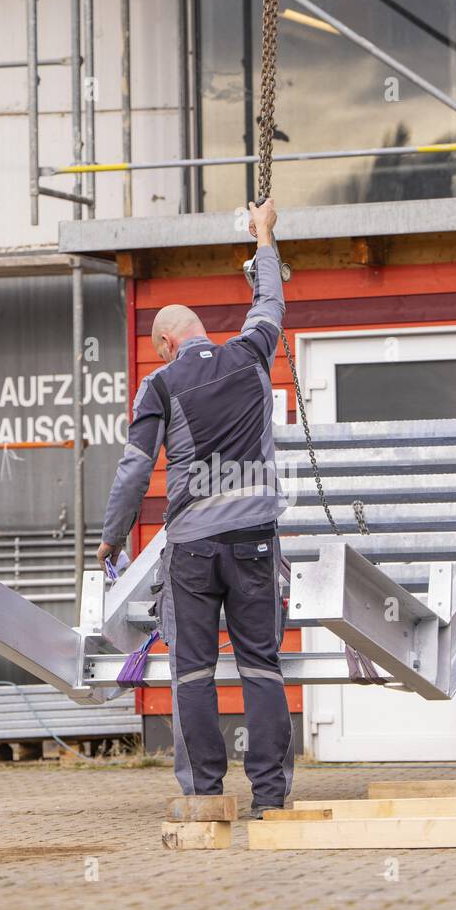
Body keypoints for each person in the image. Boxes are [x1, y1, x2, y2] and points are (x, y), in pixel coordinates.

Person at [97, 198, 292, 816]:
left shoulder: (160, 384)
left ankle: (206, 794)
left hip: (193, 552)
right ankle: (270, 798)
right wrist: (263, 236)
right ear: (203, 331)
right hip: (256, 541)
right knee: (262, 668)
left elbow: (135, 467)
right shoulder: (252, 351)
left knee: (193, 672)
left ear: (163, 343)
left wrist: (112, 536)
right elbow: (271, 303)